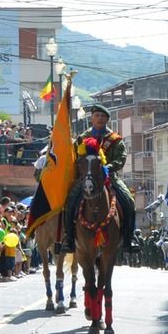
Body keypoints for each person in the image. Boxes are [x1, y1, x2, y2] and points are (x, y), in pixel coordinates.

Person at [64, 104, 135, 246]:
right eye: (97, 115)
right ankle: (69, 239)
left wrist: (108, 167)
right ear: (92, 118)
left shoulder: (115, 139)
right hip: (86, 178)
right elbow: (74, 159)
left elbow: (121, 159)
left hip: (109, 177)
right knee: (69, 201)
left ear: (107, 119)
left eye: (103, 116)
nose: (100, 118)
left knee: (129, 201)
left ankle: (129, 238)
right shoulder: (82, 138)